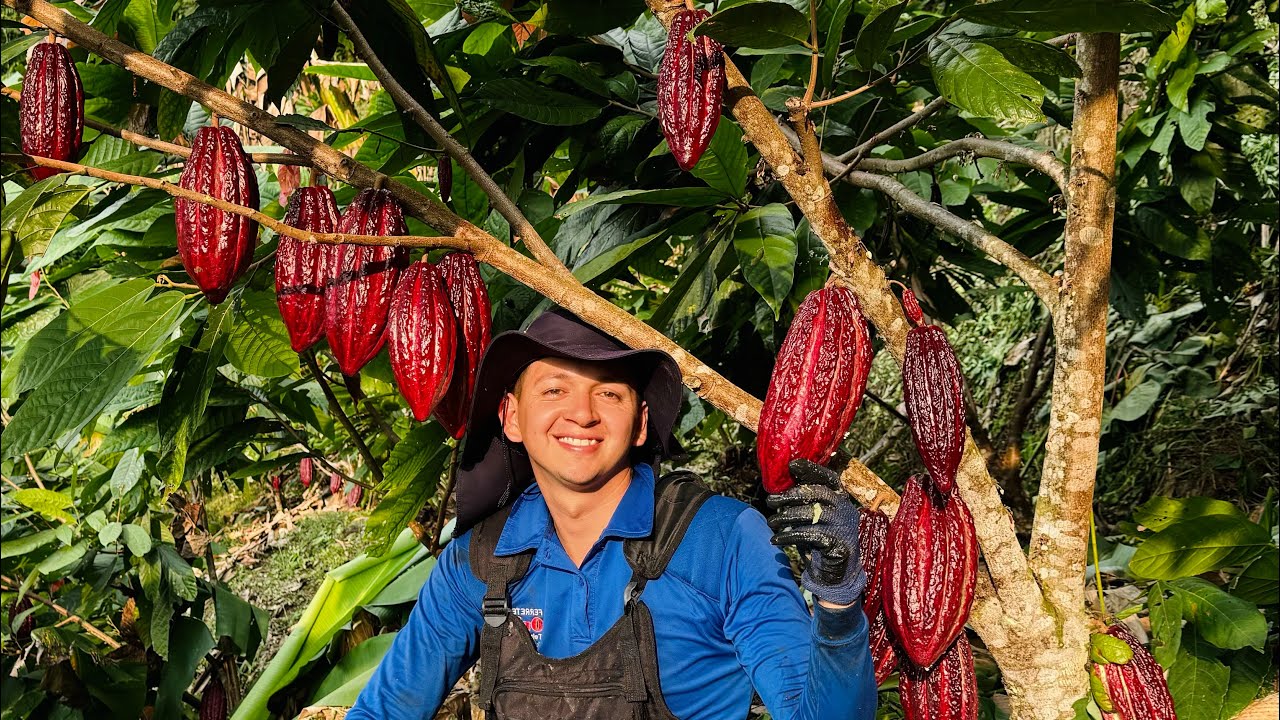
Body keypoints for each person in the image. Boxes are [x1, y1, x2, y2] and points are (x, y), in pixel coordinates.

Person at [348, 308, 875, 720]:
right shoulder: (478, 563)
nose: (582, 412)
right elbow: (387, 708)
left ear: (641, 423)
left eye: (608, 392)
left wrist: (837, 604)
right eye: (554, 389)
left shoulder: (723, 540)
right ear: (511, 416)